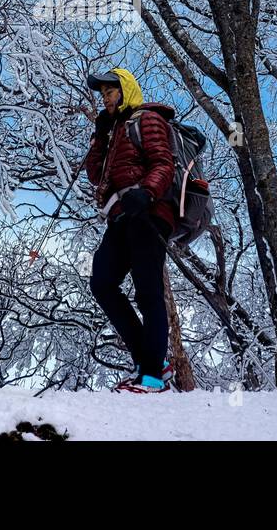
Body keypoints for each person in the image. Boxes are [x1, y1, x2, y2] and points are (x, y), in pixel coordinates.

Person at [83, 67, 177, 394]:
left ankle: (152, 376)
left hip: (150, 211)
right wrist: (99, 136)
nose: (106, 97)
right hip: (121, 215)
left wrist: (147, 192)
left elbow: (164, 163)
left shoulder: (146, 120)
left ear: (126, 90)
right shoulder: (111, 131)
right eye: (103, 93)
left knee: (147, 290)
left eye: (111, 91)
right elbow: (95, 176)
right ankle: (151, 362)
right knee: (102, 282)